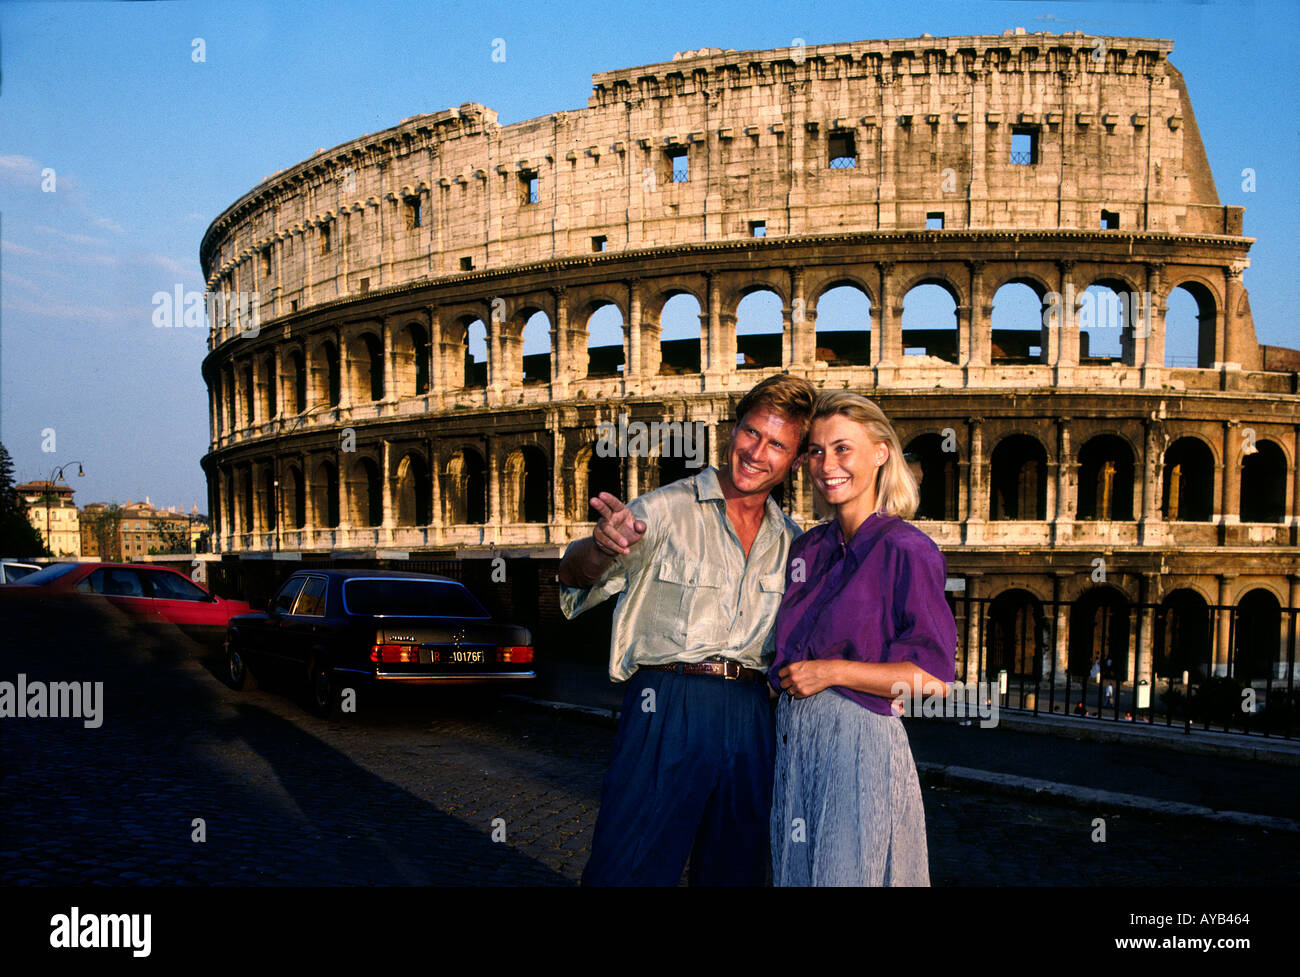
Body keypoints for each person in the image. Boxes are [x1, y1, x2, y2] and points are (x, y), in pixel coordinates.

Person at [558, 373, 815, 886]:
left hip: (752, 713)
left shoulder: (793, 542)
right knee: (629, 865)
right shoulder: (664, 509)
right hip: (667, 702)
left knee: (735, 871)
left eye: (777, 445)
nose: (756, 452)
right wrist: (601, 549)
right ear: (732, 430)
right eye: (751, 433)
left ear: (796, 460)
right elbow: (572, 577)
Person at [769, 391, 956, 886]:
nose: (826, 463)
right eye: (815, 450)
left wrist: (831, 671)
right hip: (796, 742)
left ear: (881, 453)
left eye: (842, 448)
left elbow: (934, 680)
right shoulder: (808, 546)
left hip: (860, 745)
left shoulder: (907, 549)